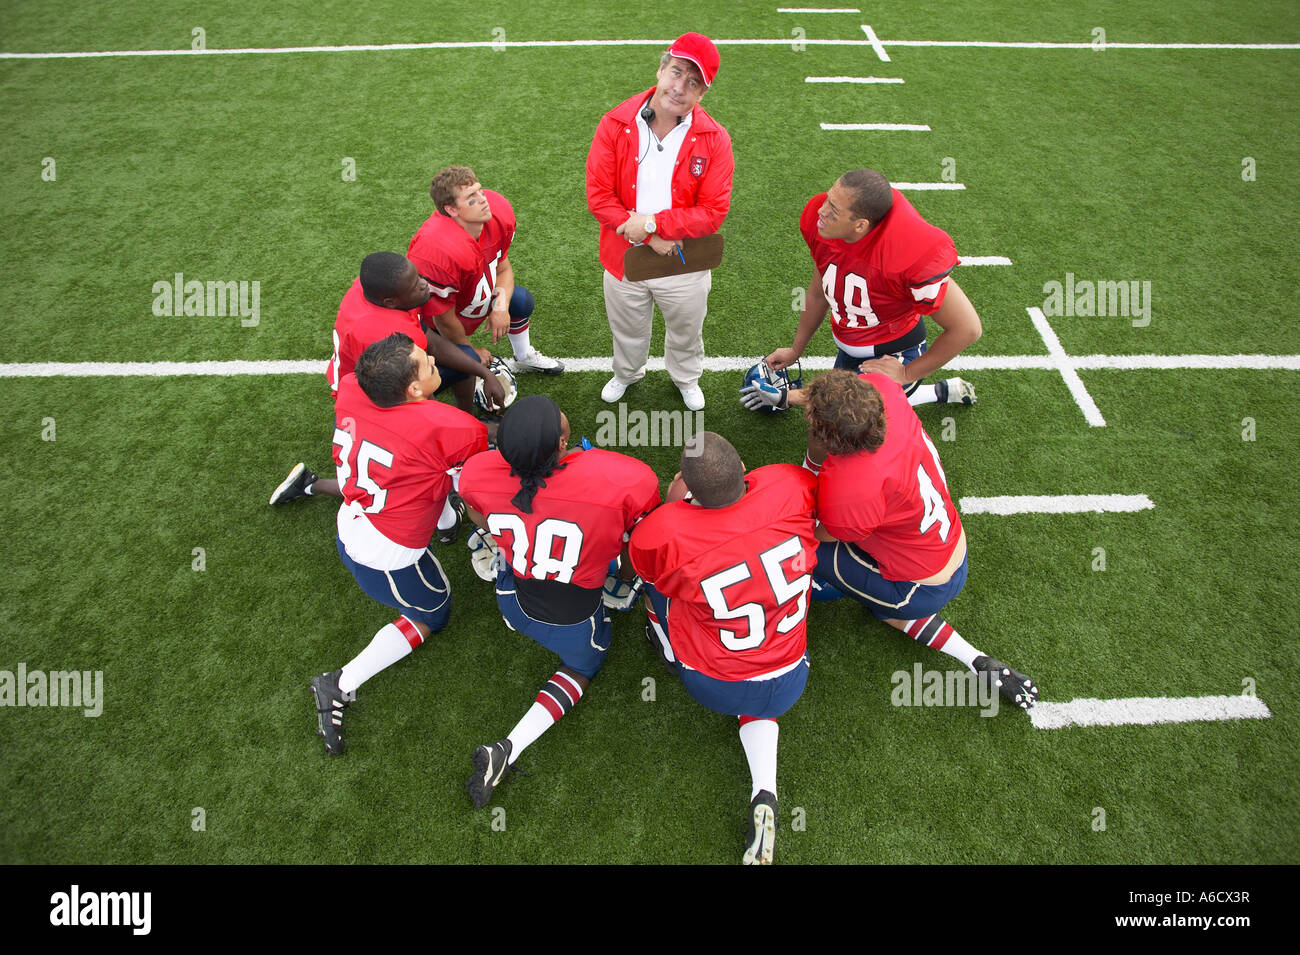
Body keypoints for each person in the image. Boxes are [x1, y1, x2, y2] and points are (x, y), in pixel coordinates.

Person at [458, 395, 661, 808]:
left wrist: (500, 533)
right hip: (571, 616)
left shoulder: (478, 472)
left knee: (501, 540)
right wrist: (623, 574)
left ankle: (495, 549)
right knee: (584, 665)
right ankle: (510, 746)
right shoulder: (621, 476)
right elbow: (642, 541)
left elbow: (475, 509)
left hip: (512, 600)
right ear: (563, 445)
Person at [794, 369, 1038, 710]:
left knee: (799, 543)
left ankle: (842, 591)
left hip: (916, 589)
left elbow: (819, 531)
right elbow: (849, 394)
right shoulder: (885, 392)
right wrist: (788, 398)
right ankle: (976, 659)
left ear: (830, 437)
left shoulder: (852, 487)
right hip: (952, 547)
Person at [629, 432, 818, 865]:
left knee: (656, 591)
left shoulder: (665, 531)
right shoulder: (788, 484)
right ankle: (763, 791)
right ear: (744, 470)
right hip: (791, 671)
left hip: (712, 683)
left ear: (690, 489)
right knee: (761, 686)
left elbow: (646, 562)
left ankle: (662, 642)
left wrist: (677, 503)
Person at [309, 332, 490, 755]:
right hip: (386, 555)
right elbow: (470, 481)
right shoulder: (451, 427)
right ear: (411, 389)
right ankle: (340, 682)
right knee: (434, 611)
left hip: (356, 512)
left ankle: (447, 524)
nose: (432, 360)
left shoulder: (355, 386)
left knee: (435, 473)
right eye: (427, 365)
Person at [269, 252, 504, 522]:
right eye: (416, 284)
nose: (425, 284)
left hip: (374, 385)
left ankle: (311, 483)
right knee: (403, 474)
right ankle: (312, 484)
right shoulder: (384, 336)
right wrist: (471, 435)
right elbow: (421, 409)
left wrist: (484, 373)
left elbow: (430, 343)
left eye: (418, 277)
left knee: (464, 365)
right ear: (390, 301)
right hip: (372, 400)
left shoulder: (382, 292)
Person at [586, 32, 734, 412]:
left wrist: (652, 224)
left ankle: (686, 378)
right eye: (676, 72)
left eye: (693, 82)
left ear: (703, 94)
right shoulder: (615, 122)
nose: (679, 87)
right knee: (627, 328)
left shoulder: (715, 139)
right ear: (661, 68)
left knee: (686, 330)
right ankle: (627, 373)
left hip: (684, 260)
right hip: (625, 255)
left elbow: (714, 211)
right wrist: (650, 235)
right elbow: (599, 196)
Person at [765, 168, 981, 409]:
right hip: (852, 346)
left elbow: (968, 329)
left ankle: (905, 392)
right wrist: (796, 349)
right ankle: (936, 392)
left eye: (834, 211)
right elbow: (818, 295)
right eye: (828, 199)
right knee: (849, 413)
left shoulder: (905, 254)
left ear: (860, 225)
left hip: (893, 352)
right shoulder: (826, 230)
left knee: (835, 417)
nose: (821, 210)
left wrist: (908, 373)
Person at [408, 165, 564, 376]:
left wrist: (500, 307)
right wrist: (469, 349)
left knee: (520, 300)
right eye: (471, 196)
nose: (483, 199)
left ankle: (523, 355)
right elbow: (442, 318)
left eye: (479, 190)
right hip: (439, 322)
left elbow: (503, 268)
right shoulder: (436, 249)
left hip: (474, 295)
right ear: (451, 209)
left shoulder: (498, 214)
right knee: (456, 368)